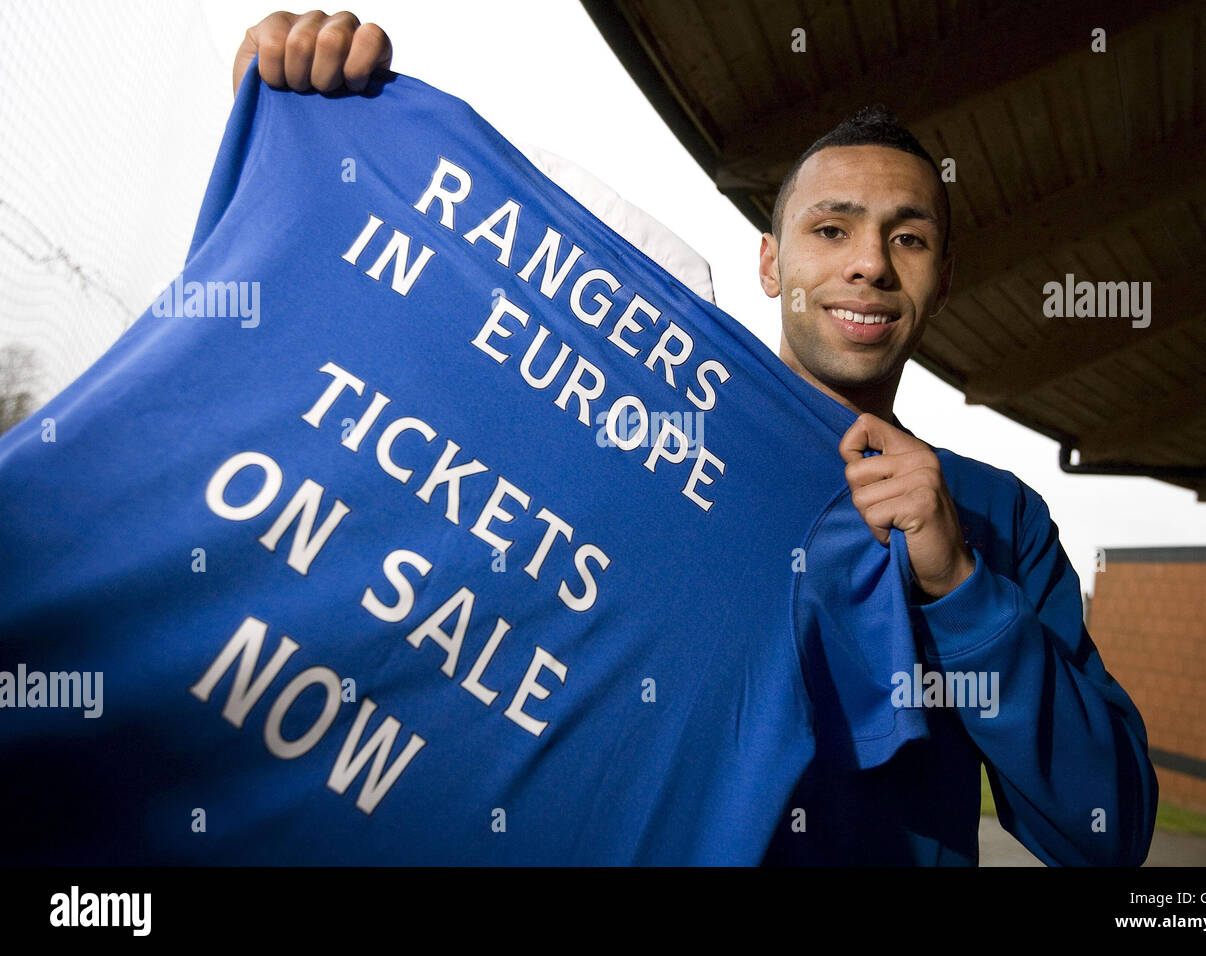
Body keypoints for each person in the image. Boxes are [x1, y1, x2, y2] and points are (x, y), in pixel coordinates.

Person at [229, 11, 1159, 866]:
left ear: (943, 277)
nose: (868, 264)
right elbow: (421, 388)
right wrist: (309, 125)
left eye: (907, 240)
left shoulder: (997, 519)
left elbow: (1106, 832)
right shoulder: (637, 435)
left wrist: (959, 591)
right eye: (831, 229)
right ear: (771, 261)